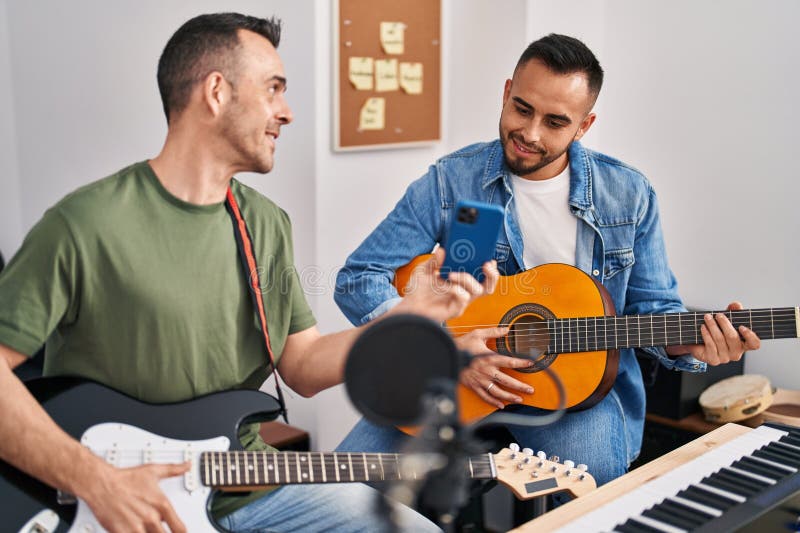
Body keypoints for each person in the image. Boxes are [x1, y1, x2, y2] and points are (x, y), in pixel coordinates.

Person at [0, 13, 500, 533]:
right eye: (274, 89)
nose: (286, 112)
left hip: (250, 485)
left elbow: (303, 366)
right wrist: (94, 478)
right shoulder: (84, 225)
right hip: (115, 503)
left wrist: (412, 314)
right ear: (216, 91)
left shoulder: (264, 224)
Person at [334, 33, 761, 490]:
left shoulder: (630, 195)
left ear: (584, 125)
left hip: (573, 401)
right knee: (343, 483)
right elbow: (359, 278)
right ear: (505, 93)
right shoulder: (449, 181)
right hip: (448, 383)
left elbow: (652, 310)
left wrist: (689, 344)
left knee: (591, 482)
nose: (530, 133)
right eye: (522, 109)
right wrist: (444, 349)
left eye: (556, 121)